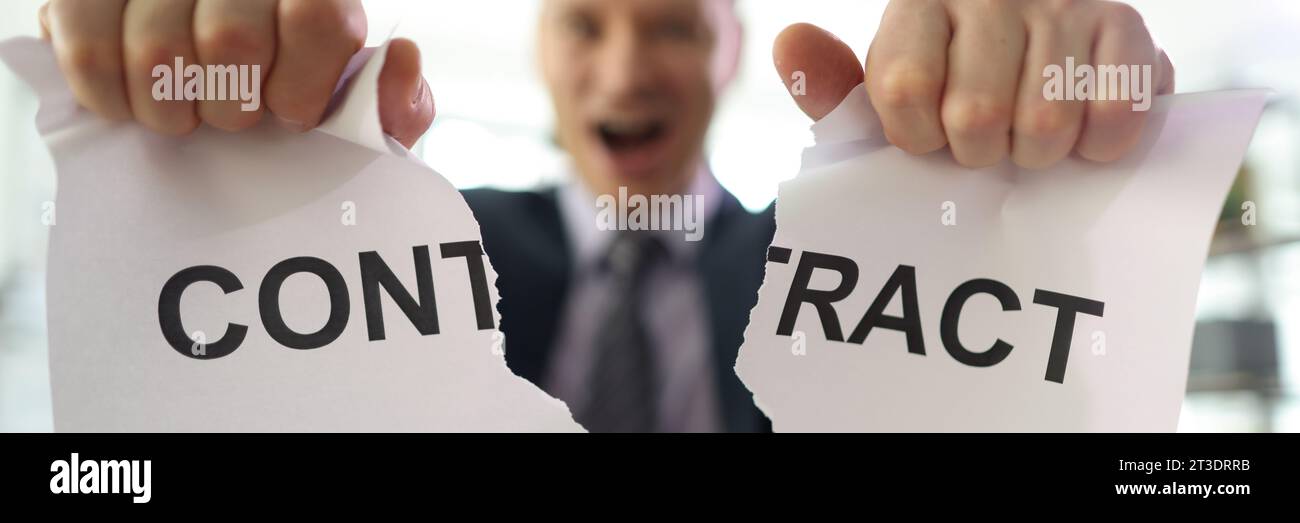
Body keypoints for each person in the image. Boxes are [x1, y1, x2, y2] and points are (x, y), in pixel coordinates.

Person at [37, 0, 1174, 432]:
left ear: (729, 53)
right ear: (542, 52)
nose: (626, 69)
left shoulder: (854, 268)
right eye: (585, 24)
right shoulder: (403, 250)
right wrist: (211, 206)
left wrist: (1032, 217)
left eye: (674, 25)